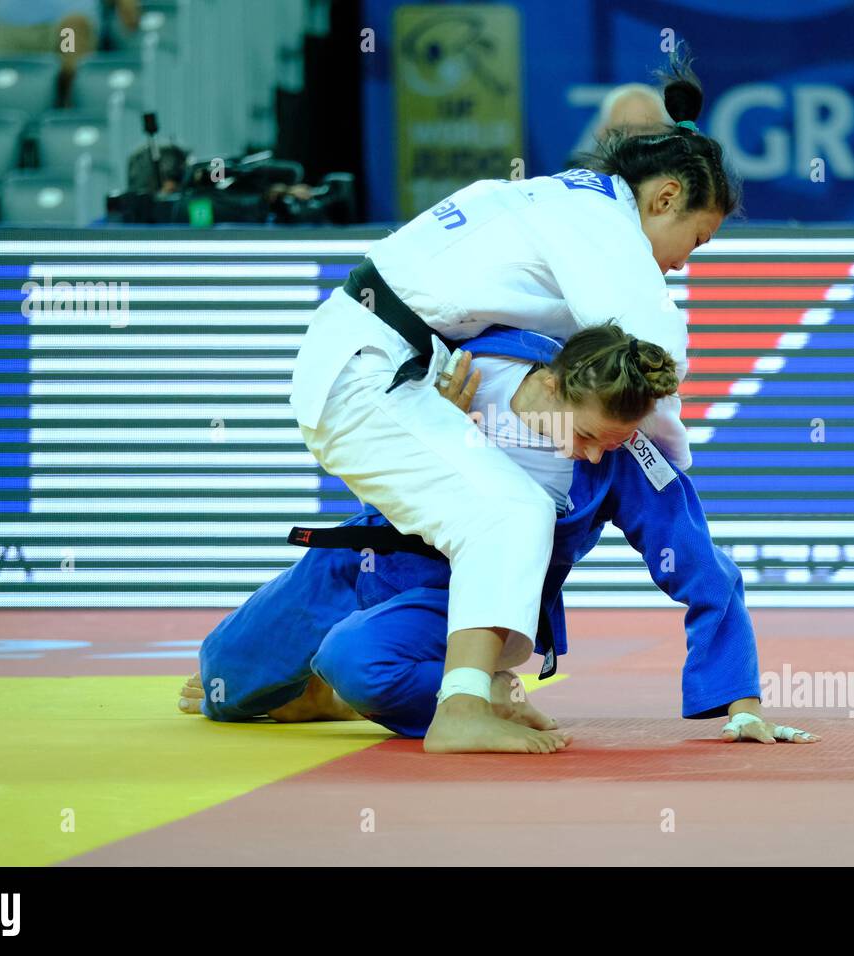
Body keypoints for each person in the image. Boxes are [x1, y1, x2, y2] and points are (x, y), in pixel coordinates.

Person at [287, 50, 739, 755]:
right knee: (511, 509)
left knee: (500, 509)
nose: (683, 261)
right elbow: (654, 362)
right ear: (665, 197)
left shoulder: (564, 198)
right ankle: (467, 702)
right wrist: (671, 459)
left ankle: (472, 688)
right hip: (370, 372)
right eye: (695, 240)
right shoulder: (602, 226)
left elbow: (597, 352)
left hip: (384, 361)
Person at [182, 327, 819, 752]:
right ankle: (328, 698)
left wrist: (742, 703)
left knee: (358, 661)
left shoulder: (624, 458)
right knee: (222, 684)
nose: (599, 455)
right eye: (591, 434)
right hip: (365, 554)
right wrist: (427, 417)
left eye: (617, 441)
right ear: (553, 384)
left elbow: (705, 569)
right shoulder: (469, 366)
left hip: (462, 604)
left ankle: (465, 691)